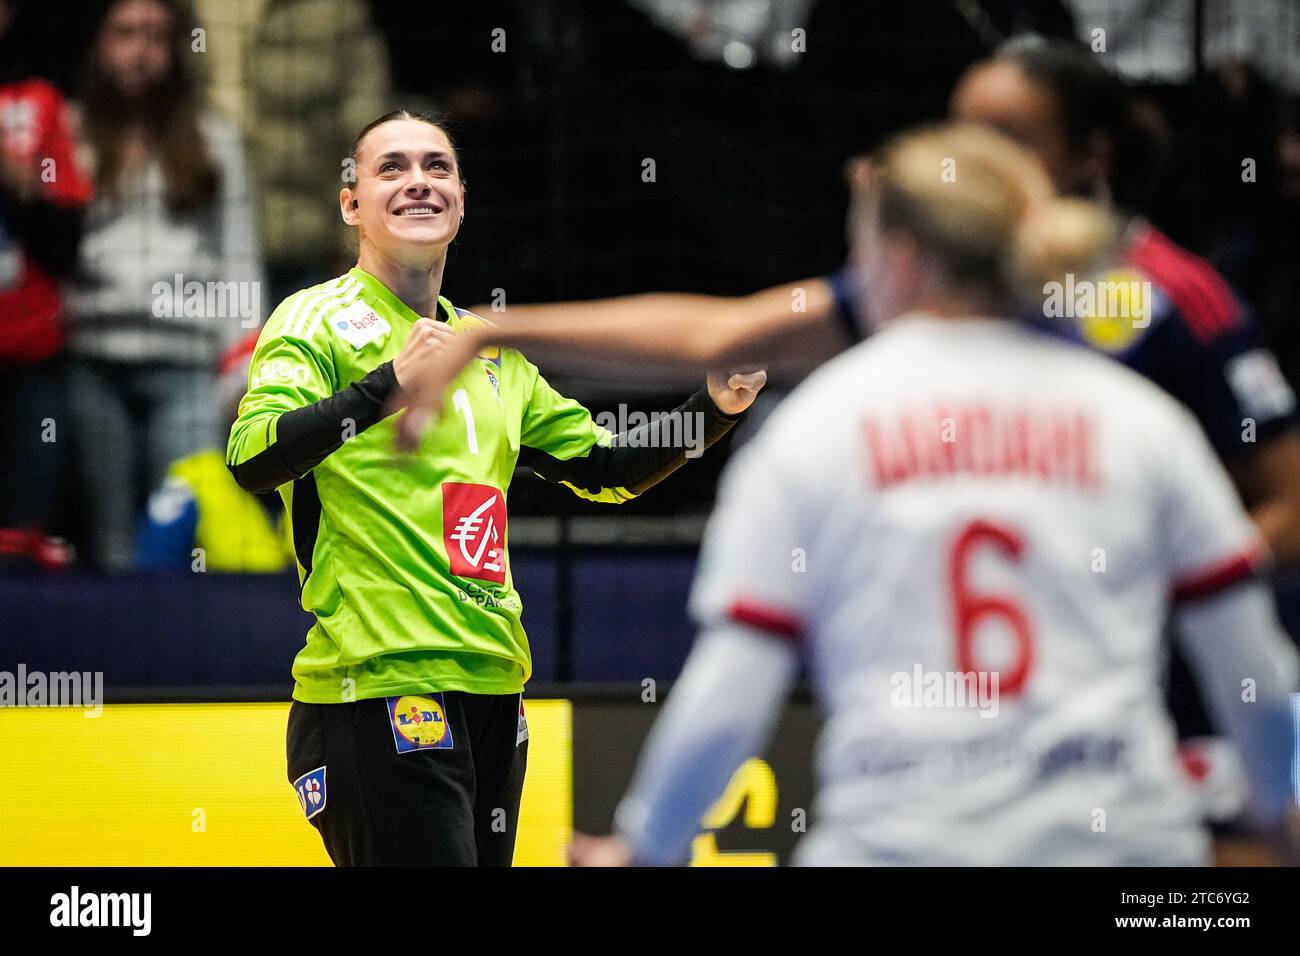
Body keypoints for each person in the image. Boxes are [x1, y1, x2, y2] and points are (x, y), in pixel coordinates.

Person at [563, 122, 1299, 866]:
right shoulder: (1142, 421)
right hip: (1124, 847)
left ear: (900, 256)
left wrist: (646, 846)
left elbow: (730, 697)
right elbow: (1253, 672)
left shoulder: (815, 426)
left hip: (897, 845)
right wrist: (1277, 809)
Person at [225, 109, 765, 866]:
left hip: (491, 687)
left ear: (462, 200)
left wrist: (714, 406)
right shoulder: (315, 320)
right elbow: (252, 456)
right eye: (393, 167)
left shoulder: (490, 353)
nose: (419, 181)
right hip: (375, 687)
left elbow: (606, 473)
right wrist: (386, 386)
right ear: (351, 205)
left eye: (437, 167)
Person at [66, 0, 265, 572]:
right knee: (106, 546)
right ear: (100, 44)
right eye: (126, 33)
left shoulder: (211, 138)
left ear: (178, 49)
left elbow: (239, 254)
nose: (140, 50)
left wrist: (244, 367)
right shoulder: (71, 131)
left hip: (189, 367)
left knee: (181, 533)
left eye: (156, 35)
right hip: (90, 361)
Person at [0, 0, 91, 568]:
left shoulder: (38, 103)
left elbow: (65, 242)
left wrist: (17, 182)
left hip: (29, 354)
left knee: (21, 543)